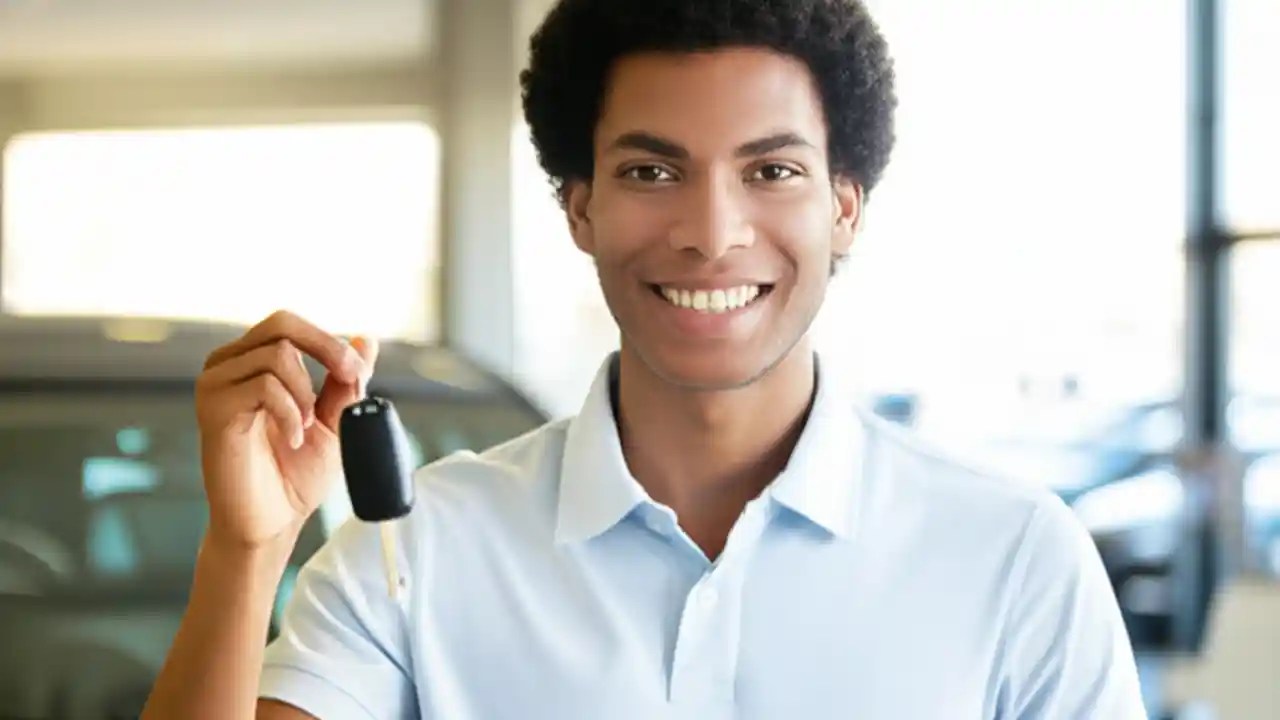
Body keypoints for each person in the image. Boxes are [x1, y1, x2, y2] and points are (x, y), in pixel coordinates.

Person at [142, 0, 1146, 718]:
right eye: (651, 170)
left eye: (771, 170)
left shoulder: (1012, 556)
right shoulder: (417, 551)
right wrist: (247, 551)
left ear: (843, 206)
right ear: (579, 205)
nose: (711, 234)